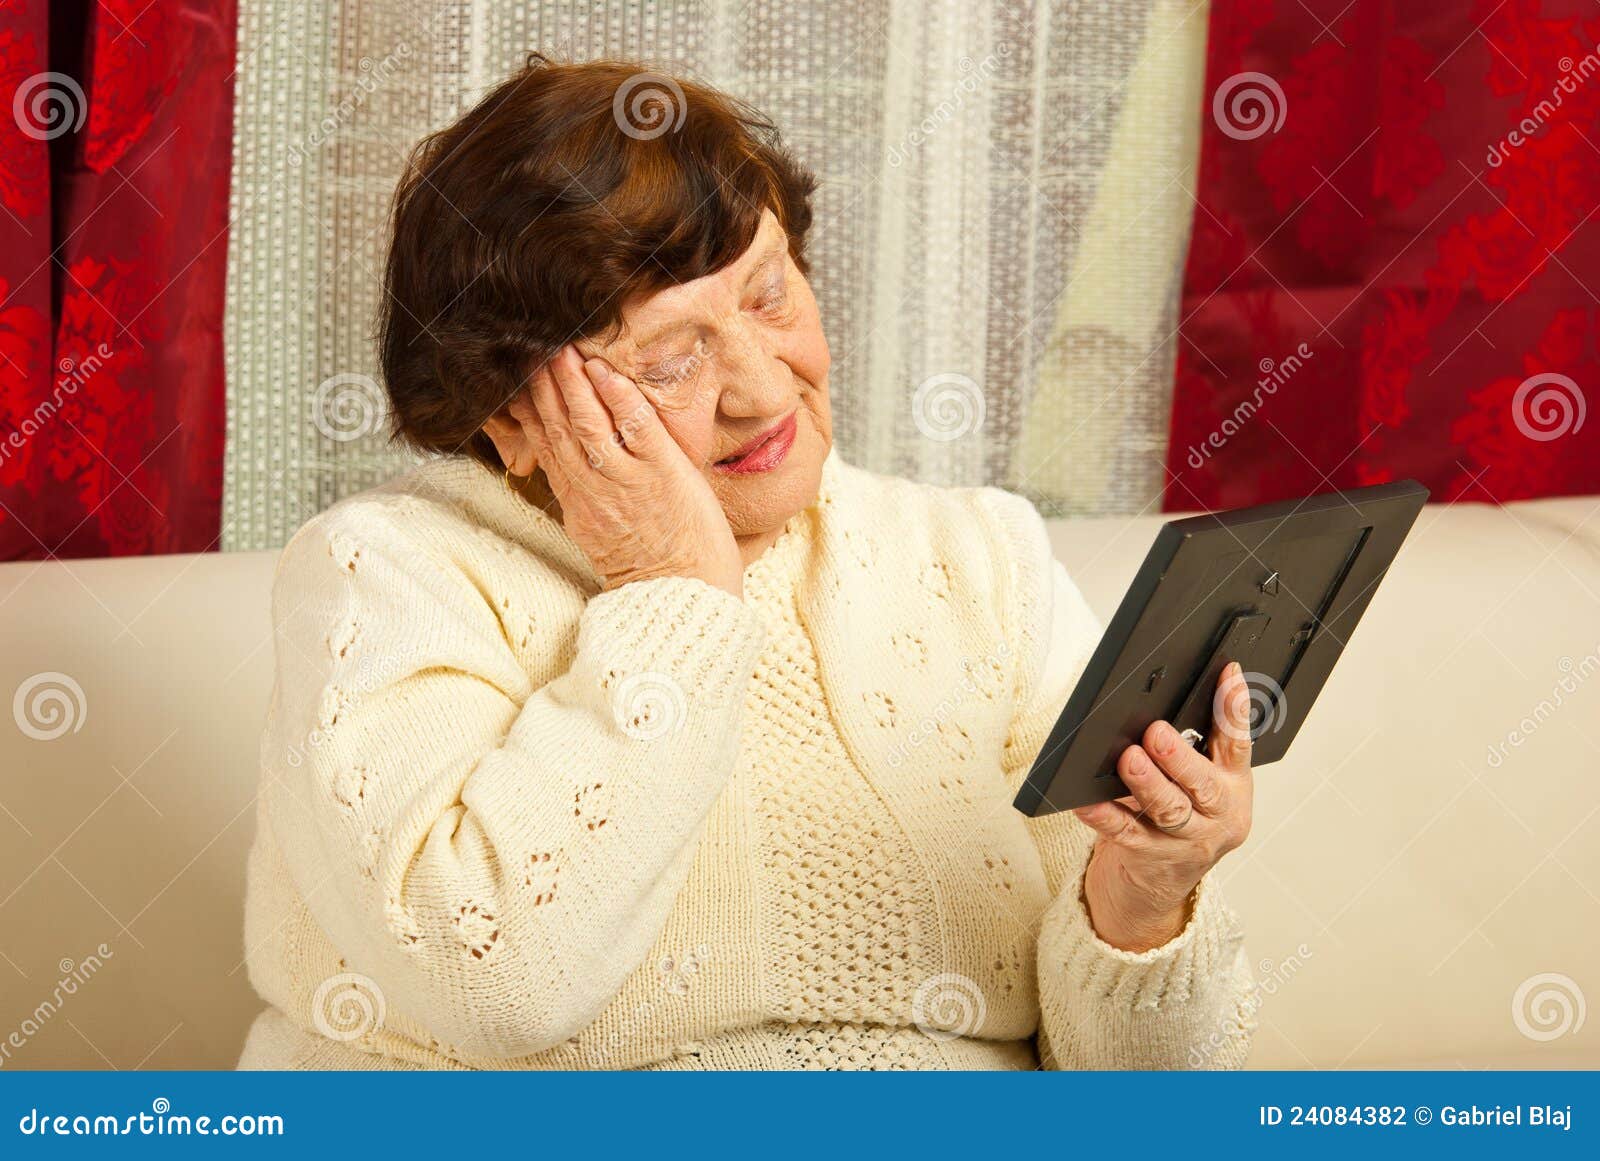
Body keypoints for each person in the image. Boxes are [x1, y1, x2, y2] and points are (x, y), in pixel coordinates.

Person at [237, 55, 1257, 1070]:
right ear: (514, 414)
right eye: (673, 358)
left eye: (769, 296)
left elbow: (1149, 1097)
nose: (763, 391)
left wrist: (1138, 904)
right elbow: (497, 984)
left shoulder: (980, 556)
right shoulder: (388, 573)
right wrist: (674, 594)